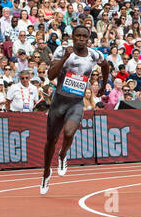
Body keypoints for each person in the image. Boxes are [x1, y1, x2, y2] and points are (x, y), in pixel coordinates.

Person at [40, 25, 110, 194]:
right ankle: (46, 172)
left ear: (88, 39)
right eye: (77, 36)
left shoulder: (94, 54)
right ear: (72, 37)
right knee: (51, 141)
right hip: (58, 102)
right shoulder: (62, 51)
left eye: (83, 36)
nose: (80, 39)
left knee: (69, 133)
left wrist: (102, 84)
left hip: (76, 103)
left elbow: (106, 65)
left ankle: (63, 155)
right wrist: (65, 57)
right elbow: (50, 75)